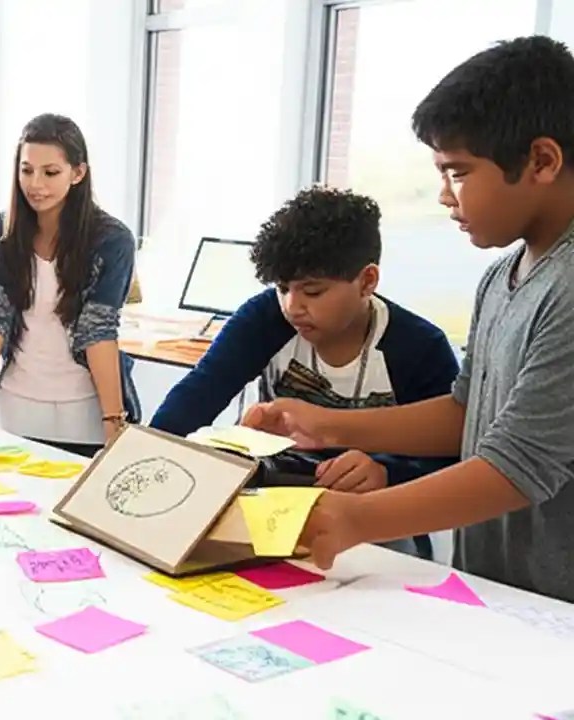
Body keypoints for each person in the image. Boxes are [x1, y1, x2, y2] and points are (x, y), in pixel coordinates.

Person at [243, 36, 574, 601]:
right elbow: (467, 414)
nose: (445, 197)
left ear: (542, 160)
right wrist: (330, 424)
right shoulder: (502, 276)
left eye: (459, 173)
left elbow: (520, 463)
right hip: (499, 586)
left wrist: (360, 517)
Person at [150, 187, 459, 559]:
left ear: (367, 281)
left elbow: (452, 457)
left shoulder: (419, 347)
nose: (293, 306)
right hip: (274, 513)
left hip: (377, 529)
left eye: (313, 292)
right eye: (283, 288)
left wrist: (387, 472)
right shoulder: (264, 319)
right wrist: (147, 455)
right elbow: (200, 392)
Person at [0, 114, 140, 457]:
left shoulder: (112, 241)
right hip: (16, 411)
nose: (36, 184)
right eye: (27, 170)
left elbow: (99, 332)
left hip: (85, 414)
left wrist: (113, 427)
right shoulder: (2, 233)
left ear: (78, 173)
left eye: (50, 172)